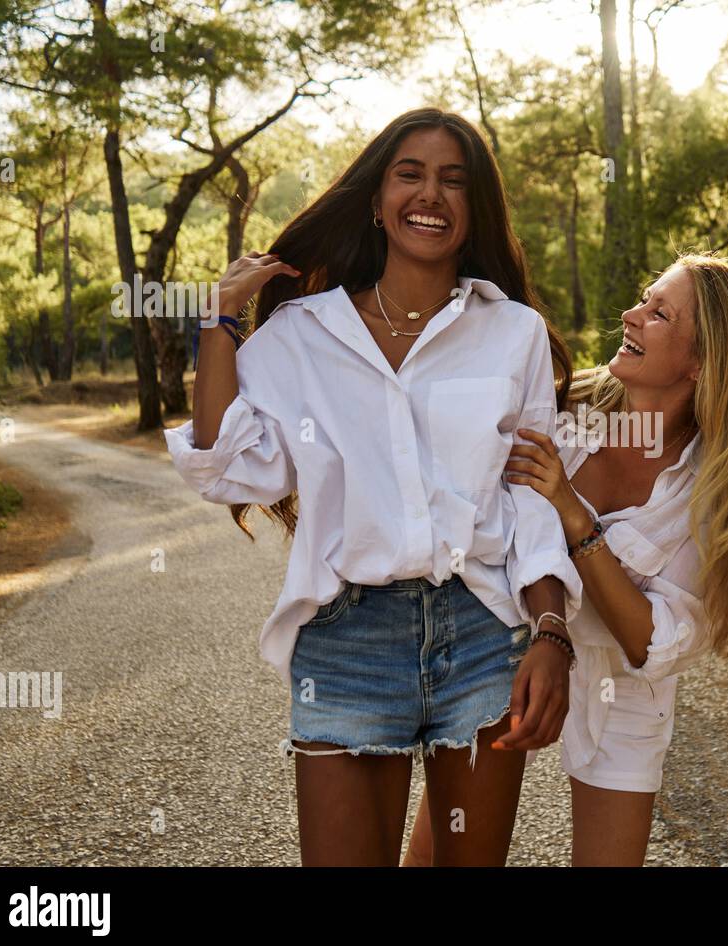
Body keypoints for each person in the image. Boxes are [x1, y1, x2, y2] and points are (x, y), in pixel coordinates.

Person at [164, 108, 581, 866]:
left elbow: (531, 500)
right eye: (410, 174)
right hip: (346, 645)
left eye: (455, 180)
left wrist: (551, 633)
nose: (432, 194)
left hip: (483, 633)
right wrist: (220, 321)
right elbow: (225, 465)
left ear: (474, 207)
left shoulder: (512, 332)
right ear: (376, 200)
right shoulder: (301, 335)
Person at [402, 252, 728, 866]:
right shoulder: (564, 406)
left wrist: (574, 515)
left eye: (658, 313)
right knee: (439, 860)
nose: (630, 315)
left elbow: (651, 644)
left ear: (702, 361)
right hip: (506, 636)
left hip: (621, 683)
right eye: (642, 300)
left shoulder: (713, 491)